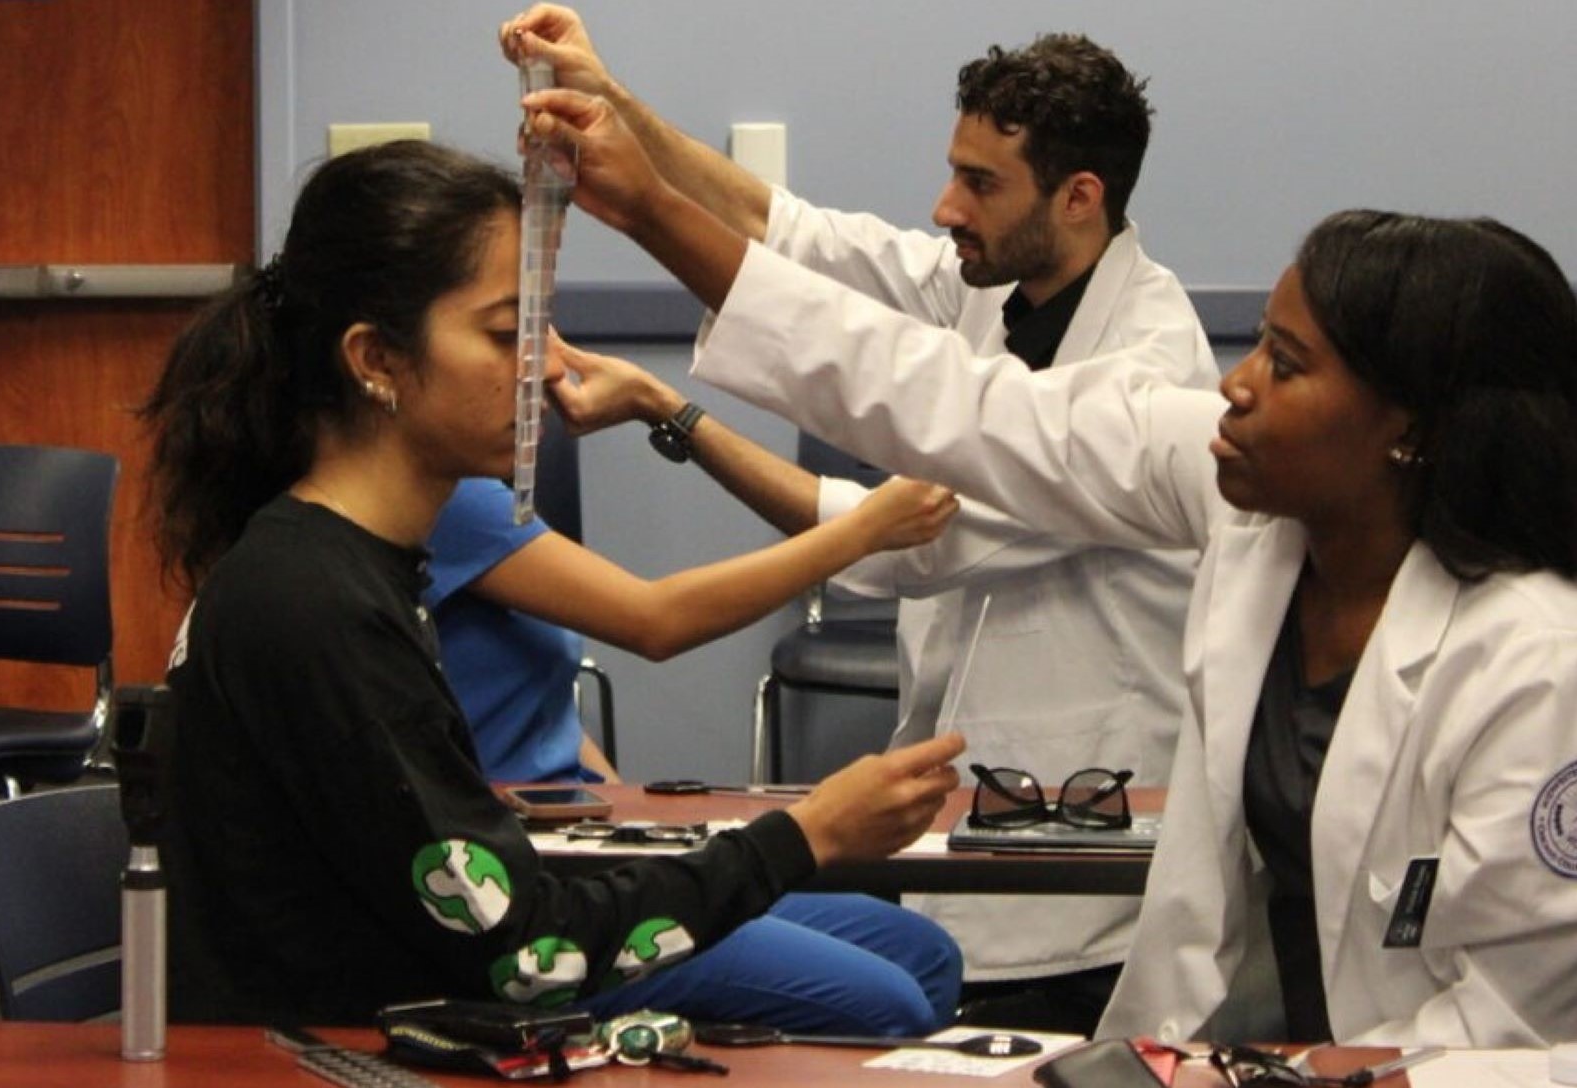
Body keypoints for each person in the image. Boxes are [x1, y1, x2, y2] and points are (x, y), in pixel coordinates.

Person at [516, 88, 1577, 1046]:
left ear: (1409, 425)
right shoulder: (1251, 510)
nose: (1235, 386)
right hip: (1222, 1047)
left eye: (1286, 363)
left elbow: (1522, 1027)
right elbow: (952, 400)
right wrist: (653, 209)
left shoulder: (1539, 666)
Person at [139, 138, 972, 1032]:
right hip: (370, 1035)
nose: (542, 365)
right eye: (506, 334)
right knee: (882, 1003)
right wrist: (805, 834)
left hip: (445, 962)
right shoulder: (314, 604)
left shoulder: (358, 565)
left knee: (919, 950)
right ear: (375, 360)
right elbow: (528, 956)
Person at [503, 5, 1218, 1029]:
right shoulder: (982, 284)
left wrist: (673, 407)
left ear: (1078, 197)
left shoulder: (1142, 376)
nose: (943, 206)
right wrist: (613, 101)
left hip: (1079, 842)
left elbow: (898, 530)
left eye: (979, 182)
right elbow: (779, 227)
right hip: (959, 793)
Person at [429, 377, 965, 786]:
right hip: (531, 868)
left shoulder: (465, 498)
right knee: (906, 938)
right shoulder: (452, 502)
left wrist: (627, 822)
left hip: (569, 841)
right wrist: (865, 529)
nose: (546, 372)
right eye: (504, 335)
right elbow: (655, 619)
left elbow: (548, 723)